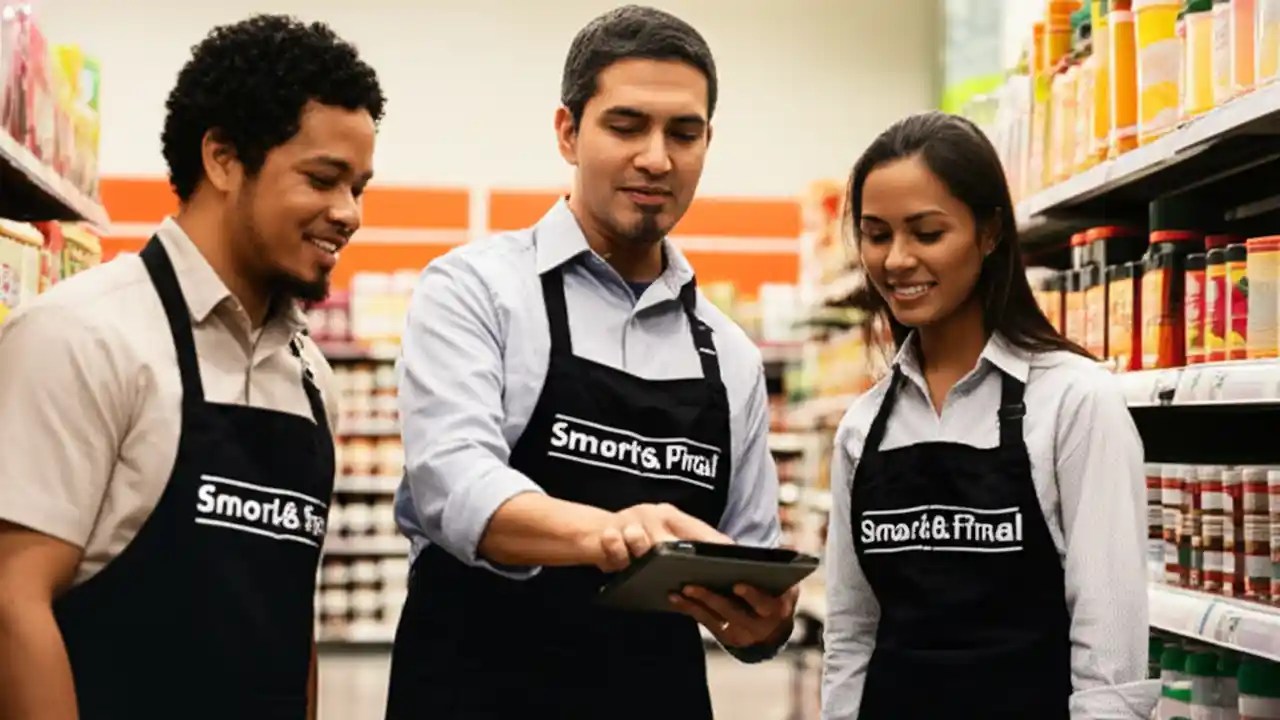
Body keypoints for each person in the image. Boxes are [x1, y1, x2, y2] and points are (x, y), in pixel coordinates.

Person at [384, 5, 795, 719]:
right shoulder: (476, 291)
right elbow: (455, 486)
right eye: (627, 125)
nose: (657, 158)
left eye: (684, 132)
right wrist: (613, 533)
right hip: (476, 692)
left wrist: (765, 623)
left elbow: (750, 559)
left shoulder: (728, 355)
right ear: (569, 133)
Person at [0, 15, 384, 719]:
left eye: (358, 187)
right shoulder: (81, 337)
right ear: (223, 159)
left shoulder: (308, 377)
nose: (348, 212)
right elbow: (12, 603)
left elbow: (288, 617)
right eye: (323, 179)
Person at [820, 112, 1159, 720]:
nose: (897, 260)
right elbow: (851, 633)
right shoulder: (862, 427)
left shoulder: (1074, 402)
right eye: (876, 234)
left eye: (926, 233)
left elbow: (1109, 650)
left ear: (990, 232)